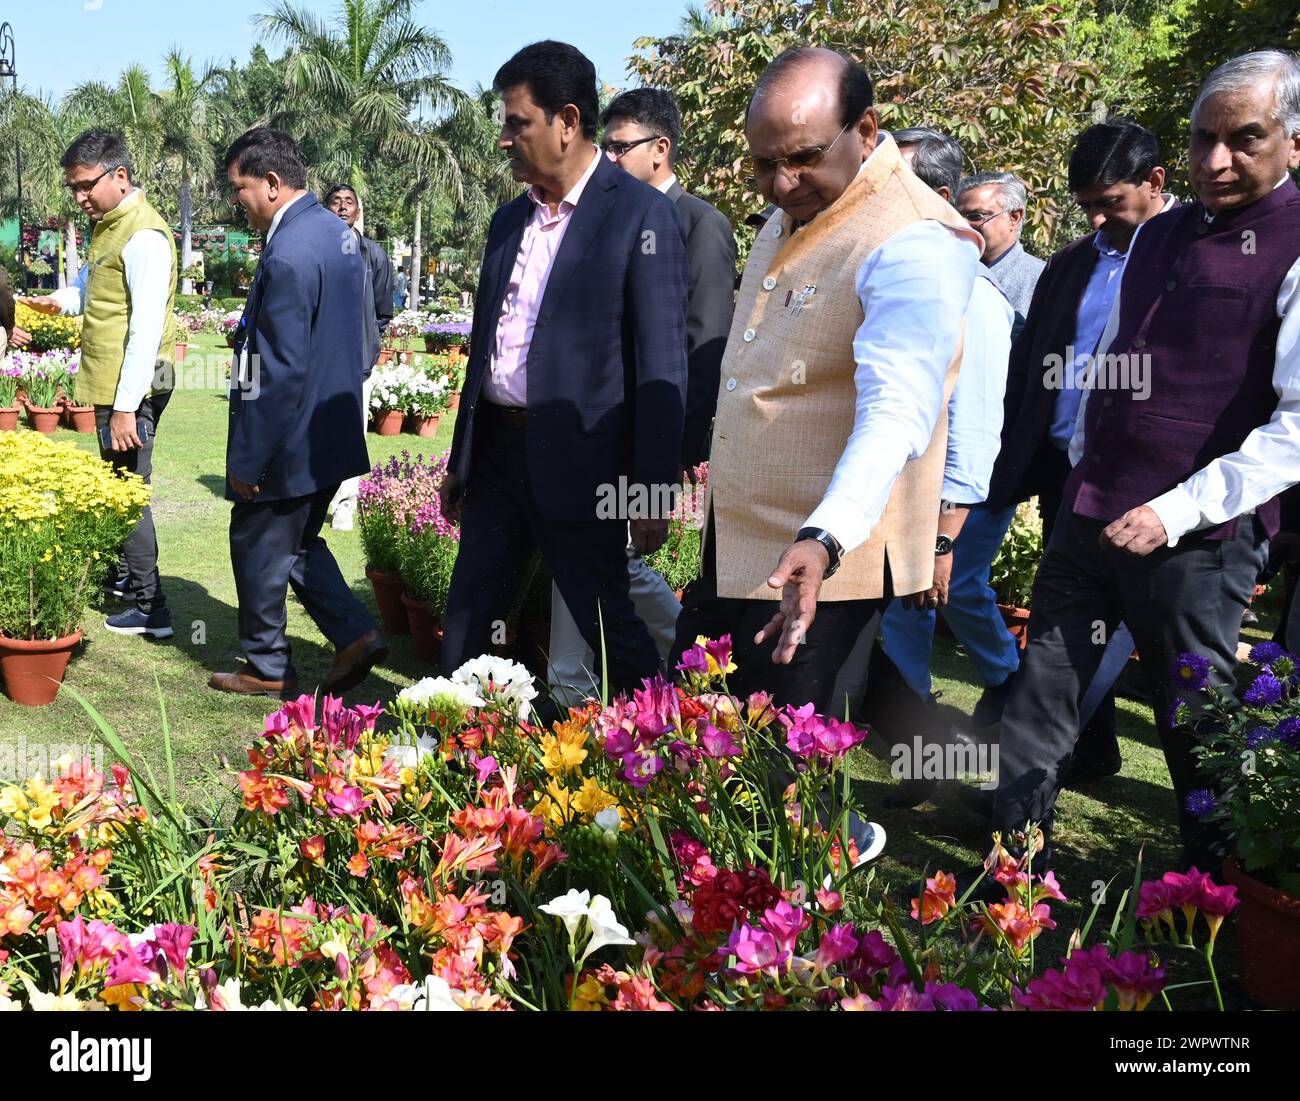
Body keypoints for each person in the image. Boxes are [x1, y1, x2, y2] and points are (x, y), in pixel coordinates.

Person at [977, 50, 1300, 883]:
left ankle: (1218, 893)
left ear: (1292, 142)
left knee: (1193, 719)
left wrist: (1178, 508)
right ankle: (1012, 865)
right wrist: (1084, 459)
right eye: (1202, 140)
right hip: (1089, 514)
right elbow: (1116, 357)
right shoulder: (1157, 233)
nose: (1216, 161)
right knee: (1042, 691)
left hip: (1199, 539)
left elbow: (1295, 425)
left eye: (1245, 139)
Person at [671, 47, 982, 717]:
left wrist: (826, 534)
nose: (782, 183)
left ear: (866, 131)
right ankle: (943, 760)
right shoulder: (798, 212)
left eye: (804, 157)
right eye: (764, 163)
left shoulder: (914, 239)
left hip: (822, 562)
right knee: (698, 733)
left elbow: (898, 407)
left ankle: (942, 779)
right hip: (743, 543)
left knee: (777, 774)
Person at [437, 41, 688, 697]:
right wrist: (463, 459)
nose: (504, 139)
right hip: (497, 456)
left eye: (517, 123)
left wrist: (654, 491)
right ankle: (466, 757)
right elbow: (486, 354)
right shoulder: (506, 223)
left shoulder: (641, 217)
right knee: (470, 615)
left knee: (606, 619)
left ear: (567, 121)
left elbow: (662, 364)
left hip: (585, 466)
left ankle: (659, 747)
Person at [970, 119, 1174, 781]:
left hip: (1151, 483)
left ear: (1156, 182)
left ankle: (1216, 837)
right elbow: (1031, 369)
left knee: (1161, 646)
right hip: (1063, 467)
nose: (1097, 217)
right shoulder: (1071, 265)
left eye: (1110, 202)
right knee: (1068, 632)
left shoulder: (1189, 254)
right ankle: (1078, 755)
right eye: (1086, 204)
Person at [546, 86, 737, 705]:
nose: (607, 157)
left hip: (648, 436)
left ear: (661, 149)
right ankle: (576, 685)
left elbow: (701, 346)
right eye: (604, 145)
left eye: (619, 147)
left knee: (606, 559)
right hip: (592, 432)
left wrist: (671, 459)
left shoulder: (699, 223)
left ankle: (680, 656)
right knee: (585, 553)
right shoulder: (604, 216)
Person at [210, 128, 387, 700]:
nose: (235, 199)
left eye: (239, 188)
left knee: (258, 540)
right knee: (298, 543)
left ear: (271, 183)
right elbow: (364, 337)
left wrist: (249, 459)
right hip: (331, 427)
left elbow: (277, 370)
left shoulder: (288, 250)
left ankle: (267, 665)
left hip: (291, 437)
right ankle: (356, 634)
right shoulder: (338, 235)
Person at [874, 127, 1016, 749]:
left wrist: (941, 538)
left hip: (942, 504)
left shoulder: (975, 297)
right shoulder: (898, 277)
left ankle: (1003, 691)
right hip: (893, 495)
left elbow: (974, 428)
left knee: (943, 596)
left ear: (937, 195)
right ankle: (920, 745)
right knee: (900, 621)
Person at [22, 130, 178, 640]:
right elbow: (97, 290)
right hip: (119, 384)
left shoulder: (145, 236)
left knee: (127, 491)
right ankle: (127, 578)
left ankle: (151, 608)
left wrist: (129, 406)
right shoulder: (111, 226)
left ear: (120, 176)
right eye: (73, 188)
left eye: (86, 185)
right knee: (119, 483)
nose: (79, 197)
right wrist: (61, 301)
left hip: (131, 385)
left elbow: (145, 326)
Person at [323, 182, 394, 532]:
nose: (342, 207)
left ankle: (346, 502)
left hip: (357, 362)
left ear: (358, 211)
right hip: (319, 361)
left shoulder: (374, 255)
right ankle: (318, 496)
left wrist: (366, 343)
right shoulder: (316, 251)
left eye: (348, 202)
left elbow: (383, 310)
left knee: (354, 431)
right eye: (335, 201)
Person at [955, 171, 1045, 318]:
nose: (963, 225)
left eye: (976, 216)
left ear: (1014, 217)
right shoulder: (949, 273)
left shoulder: (1040, 280)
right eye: (957, 216)